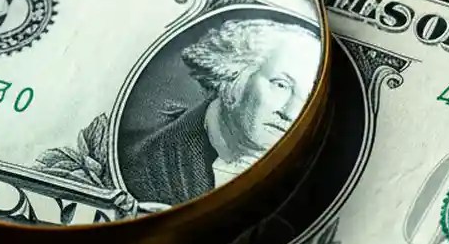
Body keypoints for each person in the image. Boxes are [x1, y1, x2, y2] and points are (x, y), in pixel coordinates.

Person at [119, 17, 320, 207]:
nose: (293, 113)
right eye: (281, 85)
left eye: (309, 96)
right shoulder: (141, 166)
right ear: (234, 79)